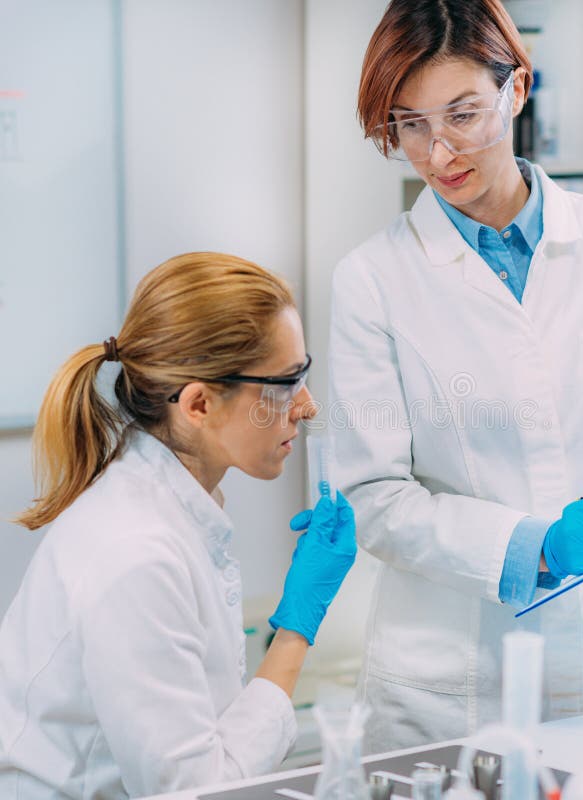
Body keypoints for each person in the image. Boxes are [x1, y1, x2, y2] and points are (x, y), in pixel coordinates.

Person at [328, 0, 583, 753]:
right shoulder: (372, 279)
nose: (438, 152)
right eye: (409, 125)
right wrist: (539, 545)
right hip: (451, 693)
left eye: (463, 113)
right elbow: (376, 498)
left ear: (516, 89)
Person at [0, 253, 356, 798]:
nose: (307, 406)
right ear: (198, 404)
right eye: (287, 383)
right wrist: (296, 631)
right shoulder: (134, 553)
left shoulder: (174, 504)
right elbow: (197, 790)